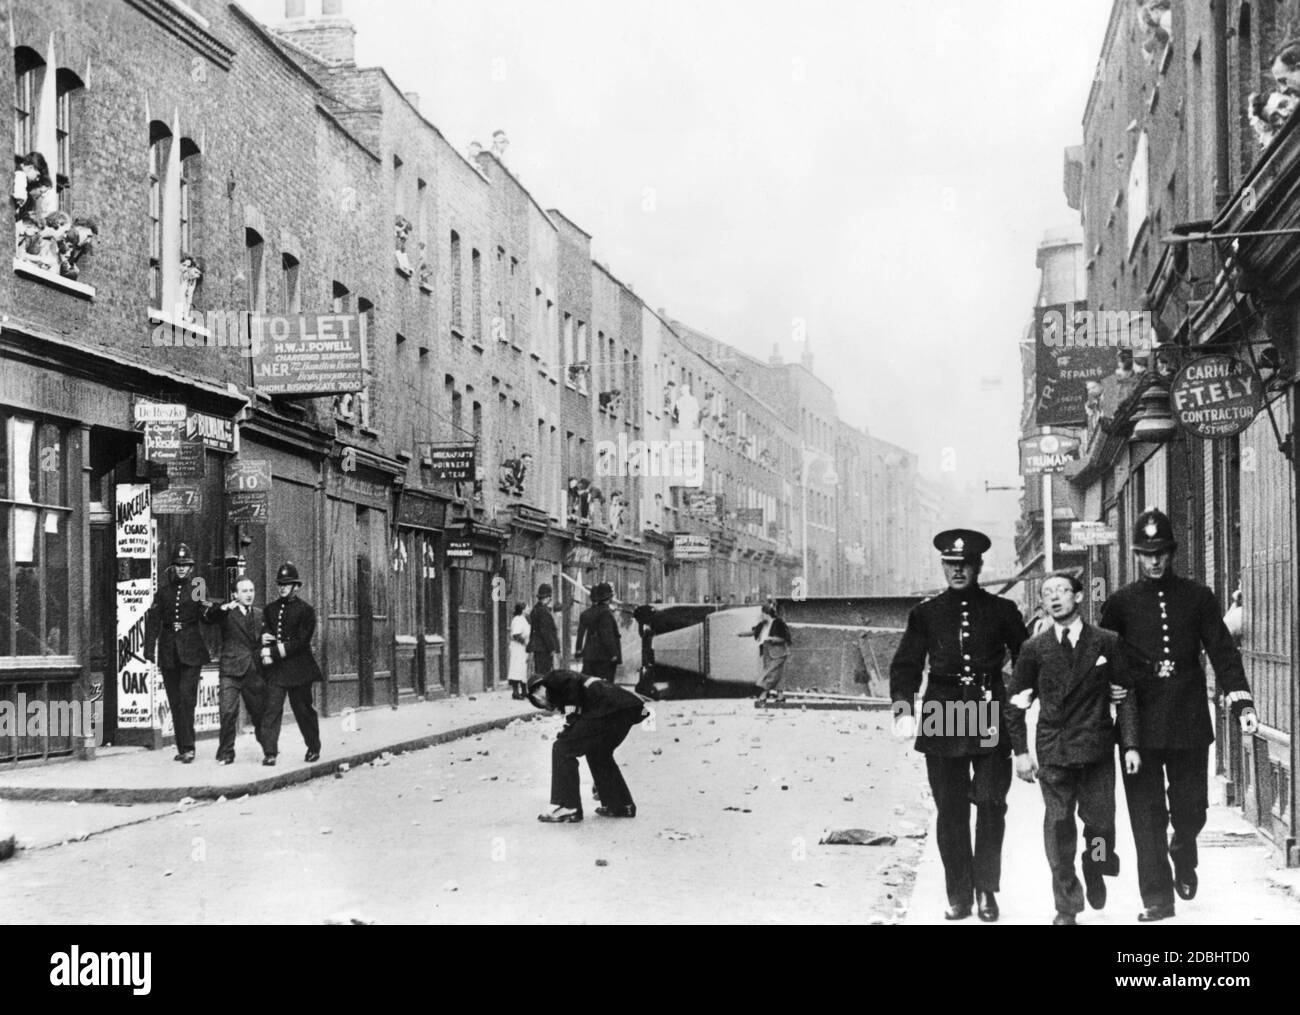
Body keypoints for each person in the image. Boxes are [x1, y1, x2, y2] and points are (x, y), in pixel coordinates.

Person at [1099, 508, 1258, 922]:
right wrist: (1108, 697)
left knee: (1191, 809)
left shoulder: (1198, 597)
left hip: (1188, 718)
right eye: (1146, 553)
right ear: (1136, 554)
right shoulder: (1119, 604)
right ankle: (1156, 897)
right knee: (1146, 816)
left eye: (1162, 552)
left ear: (1172, 552)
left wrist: (1241, 701)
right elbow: (1103, 658)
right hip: (1140, 725)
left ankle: (1183, 848)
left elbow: (1223, 650)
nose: (1154, 561)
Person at [890, 528, 1029, 922]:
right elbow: (906, 666)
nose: (957, 571)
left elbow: (1026, 659)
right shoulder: (926, 614)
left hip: (987, 709)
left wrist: (1023, 697)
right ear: (943, 566)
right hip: (942, 713)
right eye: (950, 565)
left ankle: (986, 889)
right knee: (950, 811)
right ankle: (959, 895)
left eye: (964, 565)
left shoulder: (1002, 612)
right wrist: (903, 710)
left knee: (990, 802)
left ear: (978, 567)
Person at [1006, 573, 1141, 925]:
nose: (1054, 598)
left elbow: (1125, 696)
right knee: (1059, 825)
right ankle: (1066, 905)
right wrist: (1020, 752)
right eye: (1047, 593)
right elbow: (1017, 703)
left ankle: (1094, 865)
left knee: (1099, 826)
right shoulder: (1034, 649)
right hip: (1055, 749)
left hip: (1096, 748)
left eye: (1062, 591)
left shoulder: (1106, 641)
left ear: (1078, 597)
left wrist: (1130, 745)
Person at [528, 669, 649, 822]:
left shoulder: (552, 678)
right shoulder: (579, 690)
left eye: (542, 704)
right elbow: (582, 726)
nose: (549, 707)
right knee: (597, 752)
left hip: (609, 708)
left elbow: (570, 686)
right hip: (629, 708)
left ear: (537, 693)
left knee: (562, 748)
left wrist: (570, 719)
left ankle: (568, 806)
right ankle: (620, 804)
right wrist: (570, 727)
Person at [145, 543, 211, 764]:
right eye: (178, 565)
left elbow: (205, 611)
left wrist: (217, 611)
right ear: (172, 567)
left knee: (186, 698)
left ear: (191, 567)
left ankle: (189, 748)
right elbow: (153, 620)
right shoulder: (163, 592)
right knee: (175, 700)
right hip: (168, 651)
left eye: (186, 565)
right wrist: (148, 648)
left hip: (192, 649)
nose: (182, 569)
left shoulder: (198, 586)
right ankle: (183, 747)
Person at [259, 562, 324, 766]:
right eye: (280, 584)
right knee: (271, 709)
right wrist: (264, 638)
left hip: (299, 670)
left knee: (303, 710)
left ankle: (313, 747)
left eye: (287, 584)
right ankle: (270, 752)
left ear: (297, 586)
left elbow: (300, 642)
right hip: (277, 672)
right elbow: (266, 631)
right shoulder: (270, 609)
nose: (282, 587)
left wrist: (273, 651)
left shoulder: (306, 611)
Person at [201, 576, 267, 765]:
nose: (249, 594)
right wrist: (222, 608)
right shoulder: (226, 613)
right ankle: (226, 753)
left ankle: (268, 748)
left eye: (251, 591)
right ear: (235, 594)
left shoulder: (259, 614)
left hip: (253, 671)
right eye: (244, 591)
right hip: (230, 670)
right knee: (227, 712)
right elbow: (208, 617)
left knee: (259, 713)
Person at [744, 602, 793, 704]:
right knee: (777, 674)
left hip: (778, 651)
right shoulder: (763, 625)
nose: (761, 616)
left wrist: (771, 639)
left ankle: (763, 695)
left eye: (762, 614)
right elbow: (754, 632)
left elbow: (784, 638)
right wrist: (741, 634)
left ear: (767, 614)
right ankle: (780, 697)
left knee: (770, 674)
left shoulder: (778, 623)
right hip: (767, 651)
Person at [575, 581, 621, 681]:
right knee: (606, 687)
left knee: (589, 684)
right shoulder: (606, 613)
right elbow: (607, 636)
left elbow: (580, 635)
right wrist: (613, 653)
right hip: (604, 656)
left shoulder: (586, 614)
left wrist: (578, 650)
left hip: (589, 655)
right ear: (609, 598)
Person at [526, 583, 560, 678]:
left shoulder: (535, 609)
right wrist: (552, 648)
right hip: (544, 648)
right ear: (548, 597)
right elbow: (546, 632)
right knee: (545, 673)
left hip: (538, 647)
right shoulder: (543, 611)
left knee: (539, 672)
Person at [507, 602, 531, 700]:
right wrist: (525, 643)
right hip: (518, 647)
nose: (529, 609)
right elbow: (516, 635)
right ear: (523, 609)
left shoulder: (524, 619)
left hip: (523, 648)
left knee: (523, 669)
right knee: (516, 669)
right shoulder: (517, 619)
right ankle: (515, 692)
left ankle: (524, 691)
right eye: (527, 607)